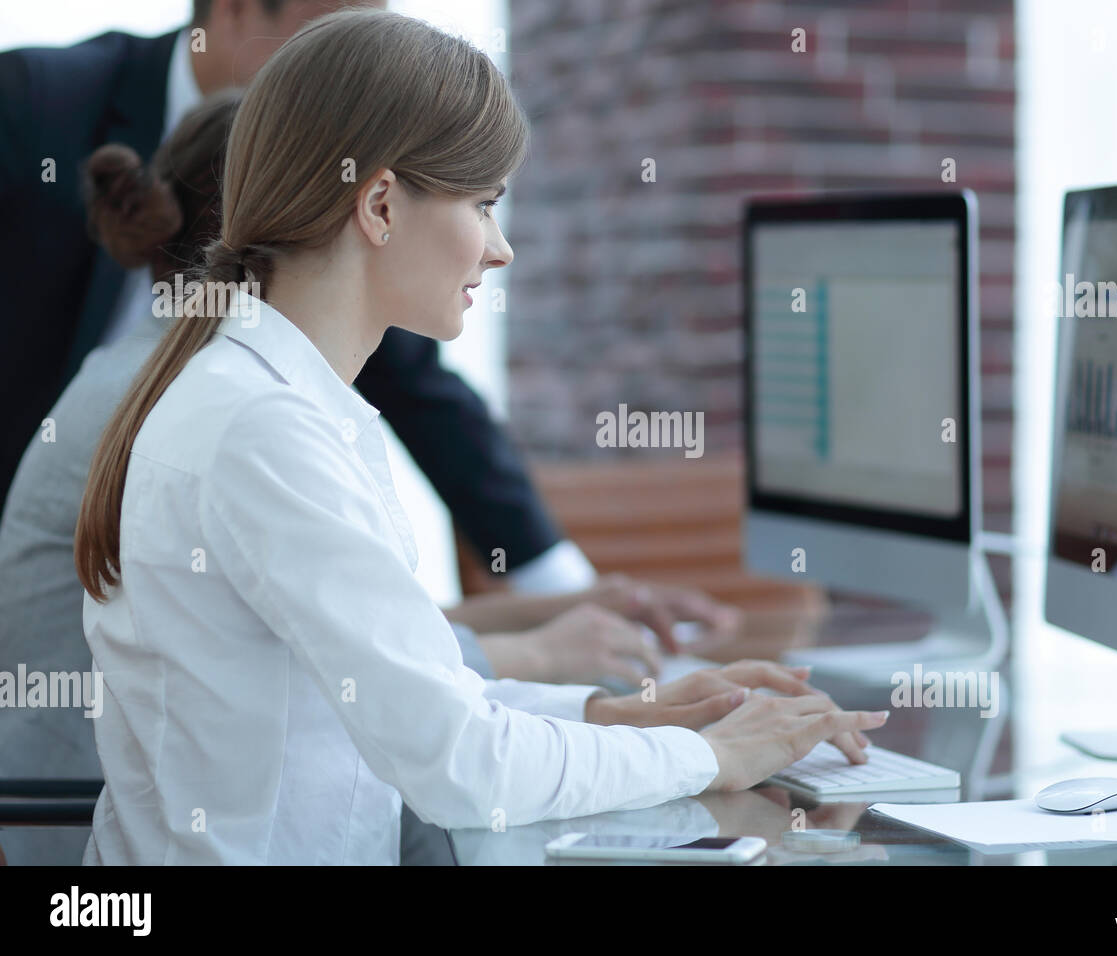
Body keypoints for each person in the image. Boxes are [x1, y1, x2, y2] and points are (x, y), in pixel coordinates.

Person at [71, 9, 886, 865]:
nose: (501, 250)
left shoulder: (269, 398)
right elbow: (461, 768)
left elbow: (425, 699)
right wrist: (716, 755)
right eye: (485, 205)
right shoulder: (264, 434)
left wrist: (632, 713)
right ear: (380, 204)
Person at [0, 0, 604, 598]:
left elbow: (421, 391)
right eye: (331, 30)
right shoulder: (33, 103)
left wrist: (556, 586)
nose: (357, 74)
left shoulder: (335, 227)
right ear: (235, 10)